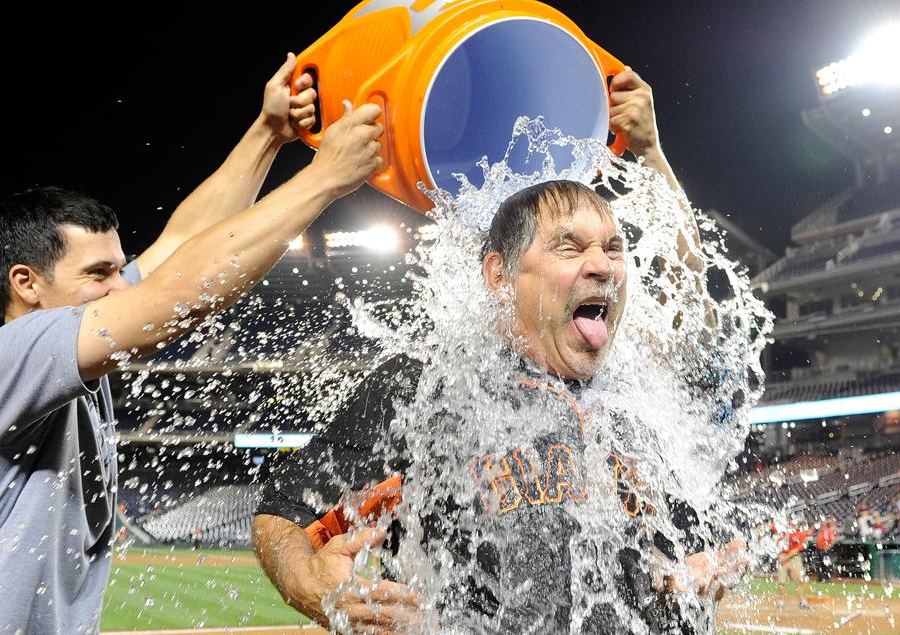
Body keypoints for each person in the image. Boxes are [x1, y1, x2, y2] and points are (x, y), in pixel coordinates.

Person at [253, 70, 747, 633]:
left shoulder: (637, 399)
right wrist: (307, 584)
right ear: (500, 276)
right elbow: (282, 514)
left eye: (613, 249)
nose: (604, 266)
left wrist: (706, 570)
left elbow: (694, 310)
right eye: (570, 247)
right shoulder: (428, 387)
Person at [0, 53, 384, 634]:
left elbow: (183, 242)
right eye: (98, 274)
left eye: (118, 270)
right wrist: (324, 179)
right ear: (25, 283)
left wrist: (267, 135)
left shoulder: (70, 349)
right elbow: (175, 297)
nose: (119, 286)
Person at [775, 520, 814, 610]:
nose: (792, 526)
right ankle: (780, 602)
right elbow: (777, 547)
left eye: (794, 525)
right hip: (782, 555)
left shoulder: (800, 534)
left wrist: (786, 560)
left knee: (799, 580)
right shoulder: (782, 534)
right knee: (781, 581)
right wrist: (782, 558)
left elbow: (795, 551)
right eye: (790, 524)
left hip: (794, 557)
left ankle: (802, 601)